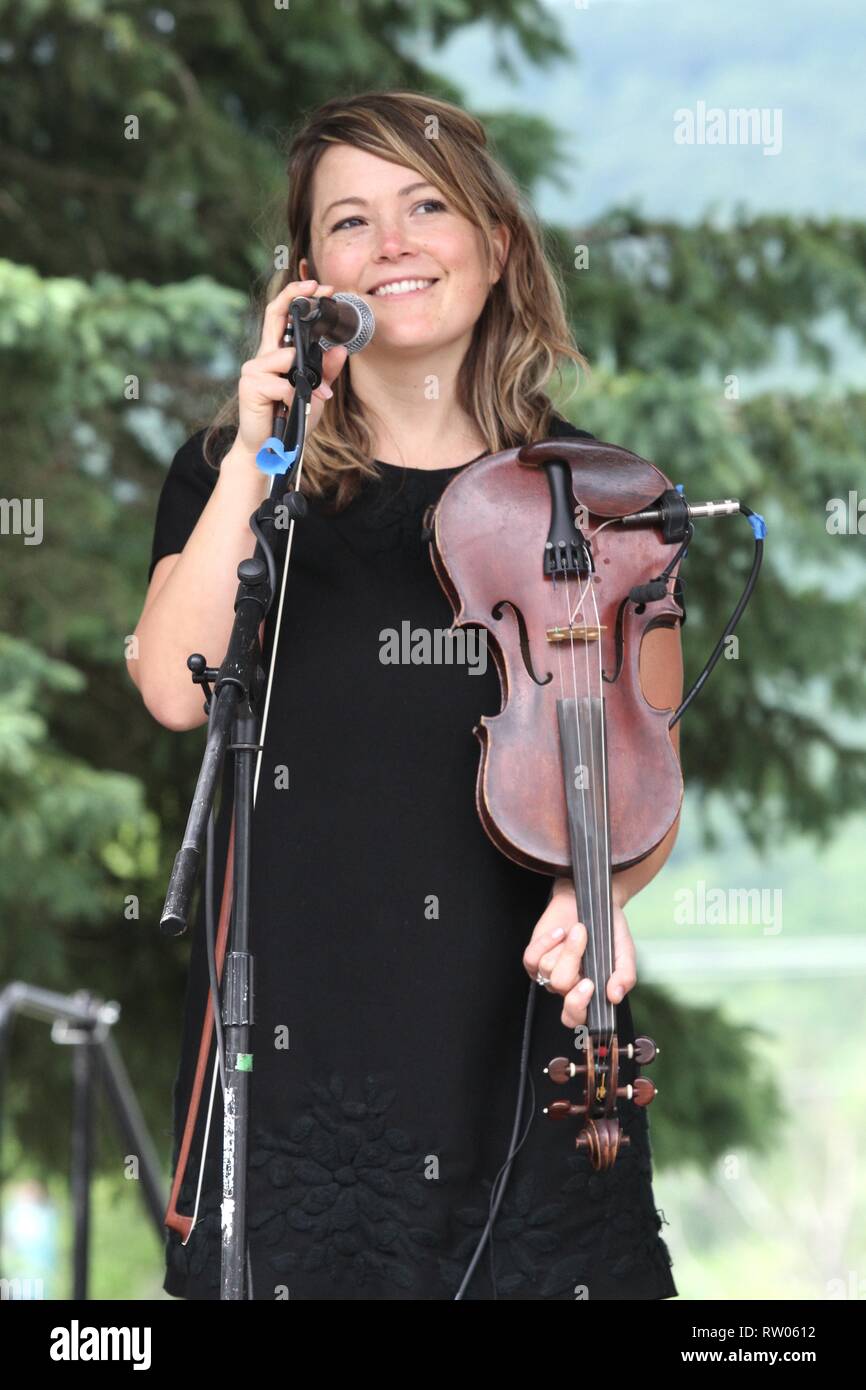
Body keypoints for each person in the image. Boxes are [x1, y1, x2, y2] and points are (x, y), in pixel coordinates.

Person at [128, 90, 681, 1301]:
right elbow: (174, 688)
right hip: (291, 1049)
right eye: (349, 220)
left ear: (493, 244)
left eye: (427, 205)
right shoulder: (240, 477)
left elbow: (639, 782)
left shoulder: (600, 500)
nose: (392, 242)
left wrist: (603, 899)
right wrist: (259, 445)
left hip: (515, 1036)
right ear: (311, 275)